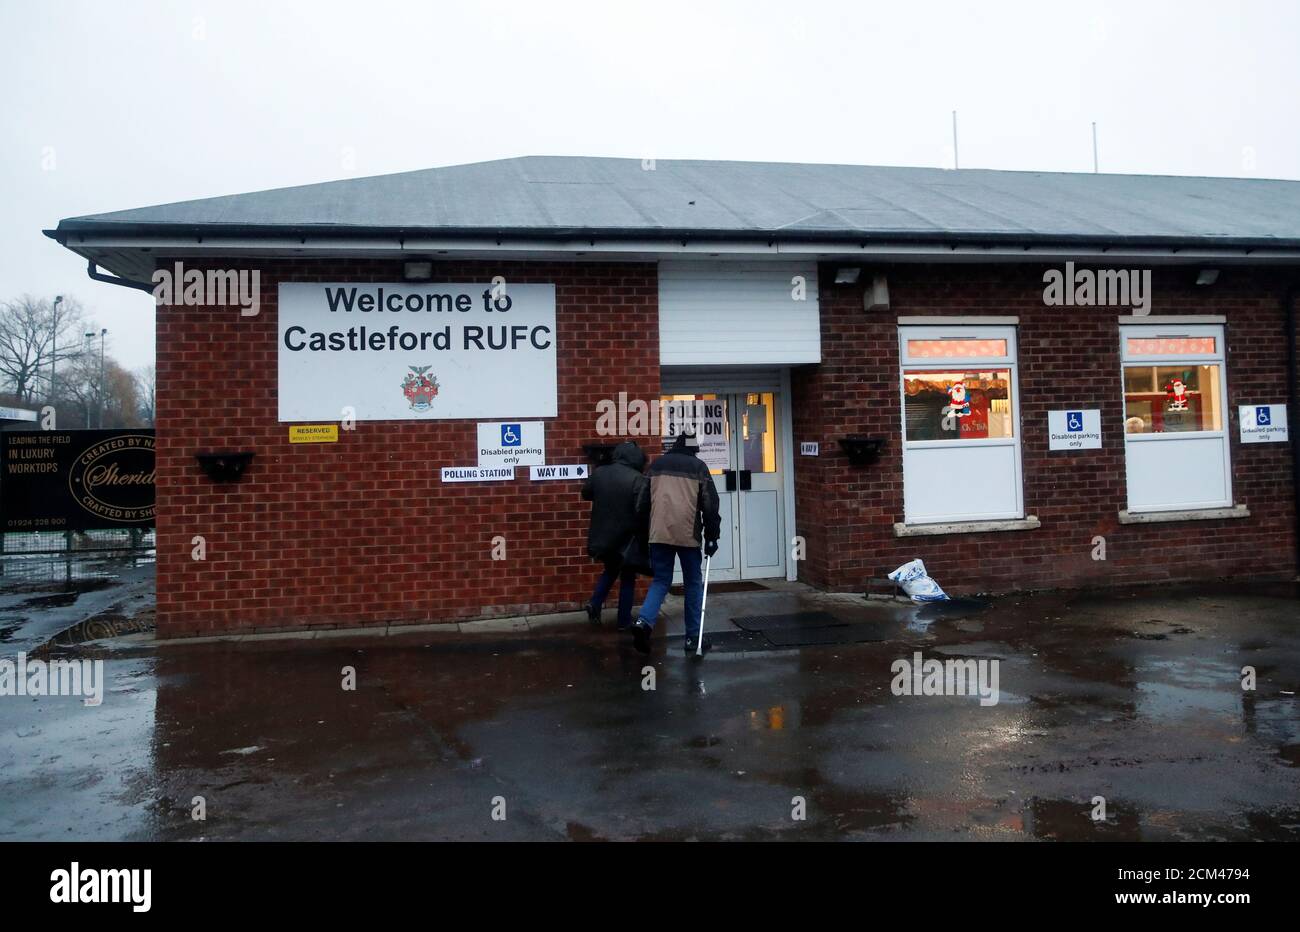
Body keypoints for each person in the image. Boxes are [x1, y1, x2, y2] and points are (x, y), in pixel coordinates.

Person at [630, 429, 721, 656]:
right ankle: (693, 637)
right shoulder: (699, 468)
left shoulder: (656, 466)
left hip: (659, 533)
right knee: (692, 583)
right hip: (688, 535)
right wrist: (712, 536)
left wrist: (643, 534)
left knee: (661, 580)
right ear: (694, 448)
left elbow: (641, 502)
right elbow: (710, 505)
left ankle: (643, 622)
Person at [580, 441, 648, 629]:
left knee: (610, 570)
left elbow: (586, 493)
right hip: (627, 537)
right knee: (627, 577)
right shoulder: (637, 479)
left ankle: (595, 603)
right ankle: (623, 620)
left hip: (603, 535)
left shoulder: (600, 473)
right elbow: (642, 508)